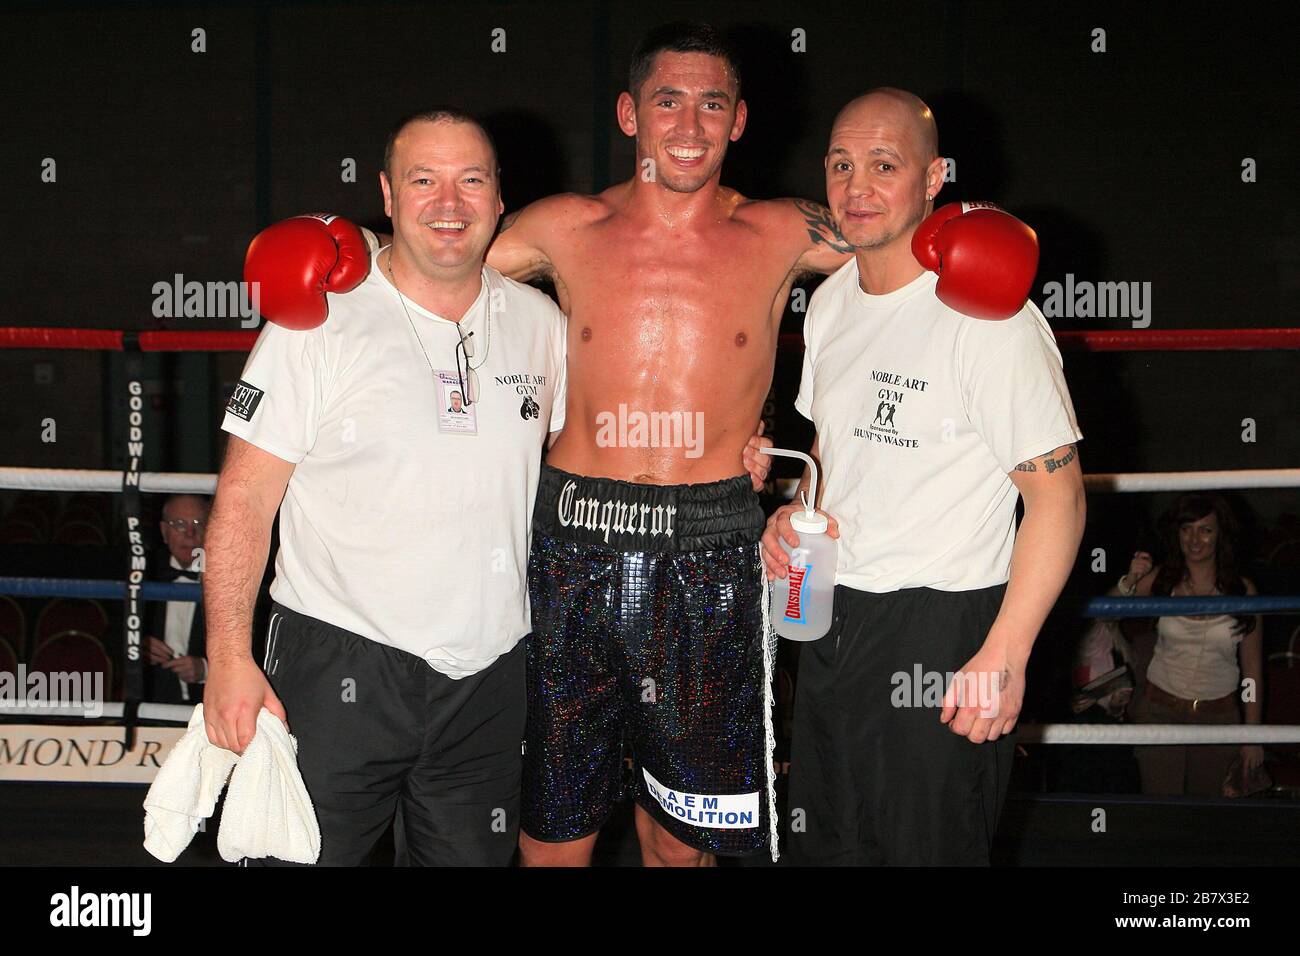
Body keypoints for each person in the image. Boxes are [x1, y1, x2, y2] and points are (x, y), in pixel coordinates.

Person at [250, 23, 1030, 866]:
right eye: (667, 102)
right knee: (553, 835)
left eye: (711, 105)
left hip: (715, 549)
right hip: (573, 546)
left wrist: (975, 231)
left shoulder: (783, 232)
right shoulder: (562, 228)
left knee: (683, 839)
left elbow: (899, 240)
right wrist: (337, 242)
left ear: (739, 122)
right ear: (629, 114)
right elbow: (435, 251)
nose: (688, 126)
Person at [203, 109, 569, 866]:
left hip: (490, 673)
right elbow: (243, 501)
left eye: (471, 180)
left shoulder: (541, 325)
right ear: (388, 196)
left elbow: (586, 451)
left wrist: (739, 448)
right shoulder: (317, 325)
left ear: (501, 200)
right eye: (423, 180)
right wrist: (229, 657)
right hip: (338, 659)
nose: (448, 202)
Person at [761, 89, 1086, 865]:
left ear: (935, 176)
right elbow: (834, 455)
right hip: (837, 619)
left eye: (884, 164)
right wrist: (796, 511)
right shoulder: (832, 301)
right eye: (842, 164)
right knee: (829, 845)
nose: (857, 186)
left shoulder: (988, 318)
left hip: (944, 626)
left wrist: (1006, 652)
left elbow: (1059, 498)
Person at [1111, 493, 1265, 796]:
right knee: (1161, 813)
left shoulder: (1242, 591)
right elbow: (1107, 607)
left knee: (1202, 820)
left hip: (1218, 716)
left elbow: (1252, 671)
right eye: (1187, 529)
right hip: (1159, 710)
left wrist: (1253, 735)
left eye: (1205, 530)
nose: (1195, 539)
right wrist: (1131, 579)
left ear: (1221, 535)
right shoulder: (1162, 580)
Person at [145, 494, 210, 704]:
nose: (190, 533)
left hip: (208, 705)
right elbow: (110, 636)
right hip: (152, 699)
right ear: (164, 532)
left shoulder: (230, 576)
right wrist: (138, 645)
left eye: (199, 524)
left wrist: (206, 669)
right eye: (179, 524)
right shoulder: (144, 571)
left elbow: (258, 644)